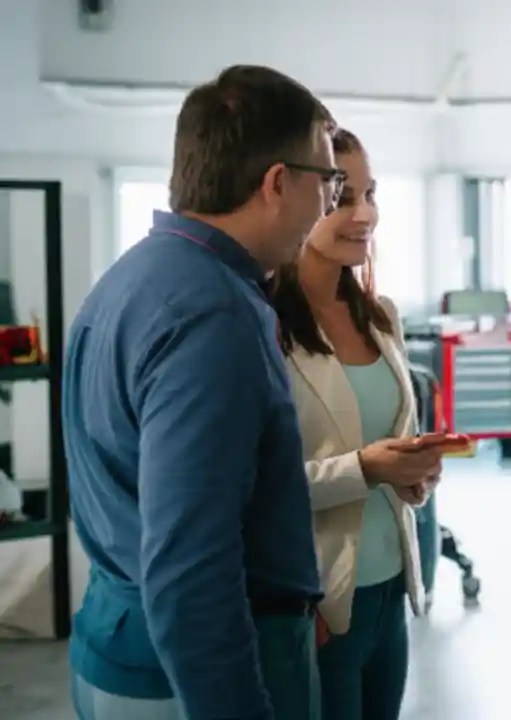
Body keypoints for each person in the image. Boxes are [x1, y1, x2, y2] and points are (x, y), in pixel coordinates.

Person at [62, 65, 339, 720]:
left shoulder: (135, 279)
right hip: (191, 678)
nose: (329, 206)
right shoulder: (213, 315)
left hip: (121, 643)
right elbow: (191, 569)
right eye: (327, 181)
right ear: (278, 182)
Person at [269, 128, 439, 720]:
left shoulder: (380, 315)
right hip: (318, 600)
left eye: (371, 195)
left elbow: (389, 441)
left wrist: (410, 471)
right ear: (299, 198)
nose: (364, 214)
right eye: (344, 198)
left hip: (390, 586)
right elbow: (260, 484)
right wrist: (367, 468)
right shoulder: (265, 325)